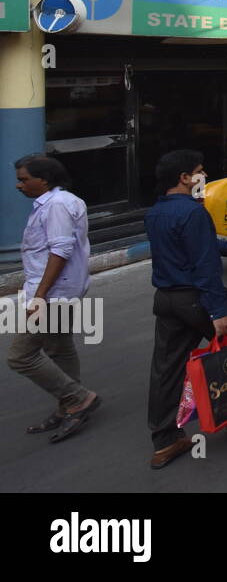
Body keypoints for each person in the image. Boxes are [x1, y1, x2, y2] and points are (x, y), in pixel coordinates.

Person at [145, 150, 227, 470]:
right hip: (198, 299)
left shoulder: (156, 213)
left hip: (167, 299)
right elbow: (205, 265)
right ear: (184, 178)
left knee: (166, 370)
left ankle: (165, 441)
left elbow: (202, 245)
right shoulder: (193, 213)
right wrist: (218, 312)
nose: (203, 176)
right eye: (200, 172)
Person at [10, 155, 99, 443]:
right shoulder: (58, 202)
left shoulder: (57, 205)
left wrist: (39, 296)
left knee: (21, 356)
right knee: (59, 347)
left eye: (24, 179)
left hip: (53, 294)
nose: (18, 185)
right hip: (58, 291)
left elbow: (59, 251)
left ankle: (78, 398)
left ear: (44, 180)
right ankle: (68, 406)